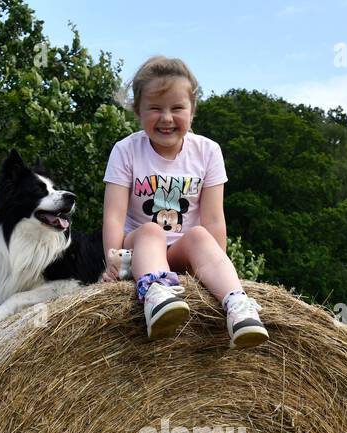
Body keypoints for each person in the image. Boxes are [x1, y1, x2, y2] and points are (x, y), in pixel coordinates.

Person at [99, 55, 269, 350]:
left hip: (181, 255)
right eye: (155, 108)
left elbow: (214, 219)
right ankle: (157, 295)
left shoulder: (207, 151)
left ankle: (238, 305)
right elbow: (114, 216)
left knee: (200, 234)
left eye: (177, 108)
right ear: (138, 110)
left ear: (192, 111)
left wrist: (213, 270)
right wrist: (112, 263)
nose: (166, 118)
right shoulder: (126, 150)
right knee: (152, 230)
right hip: (136, 251)